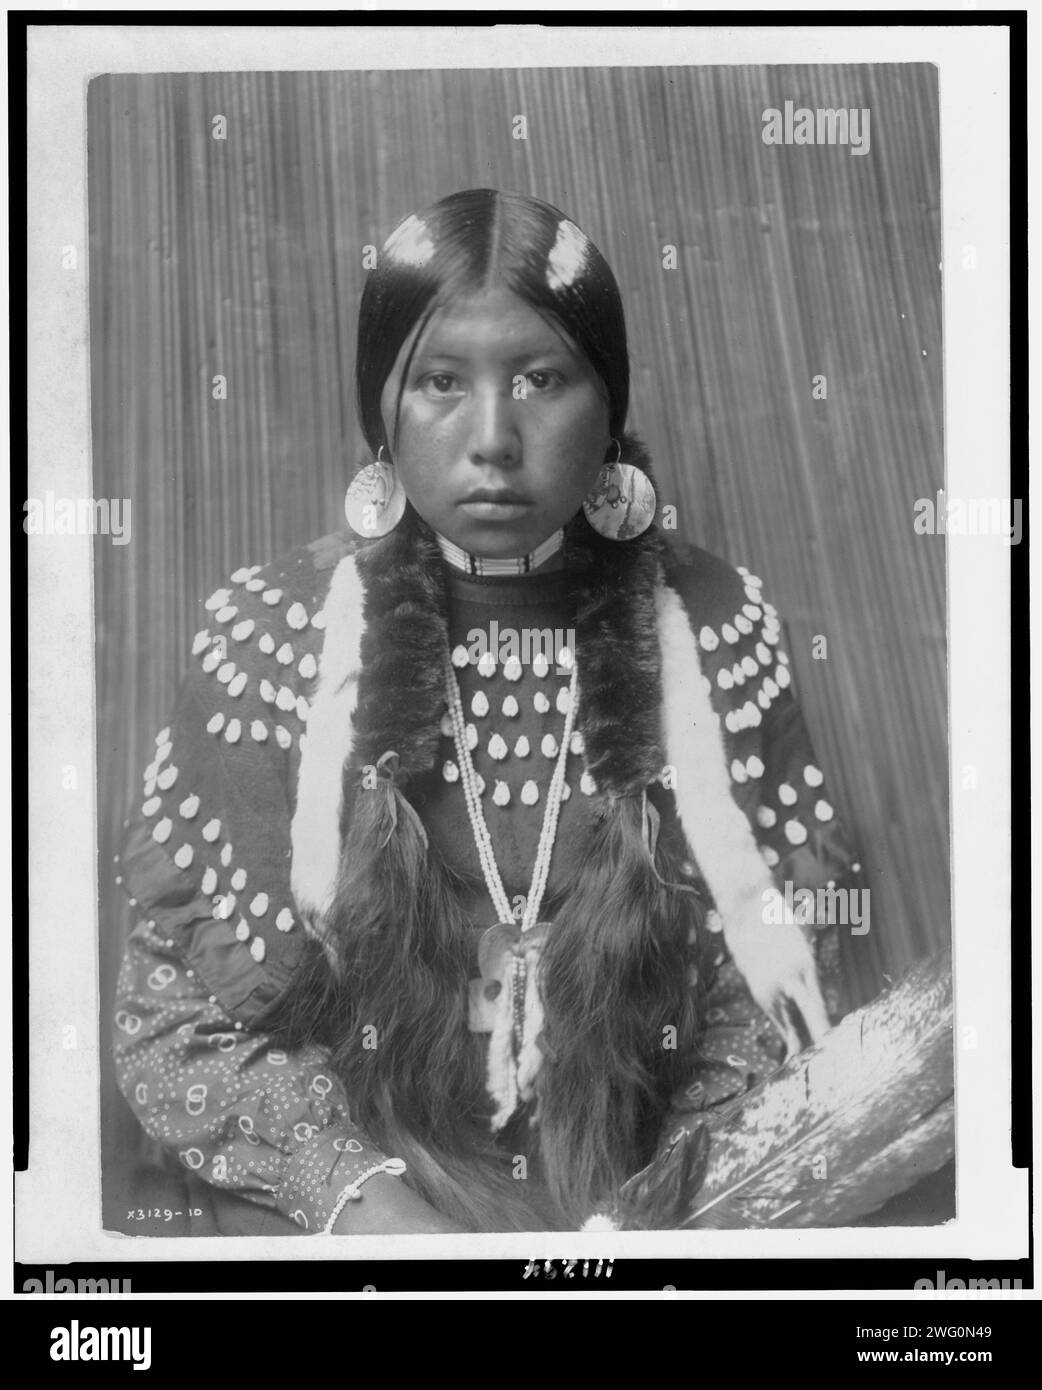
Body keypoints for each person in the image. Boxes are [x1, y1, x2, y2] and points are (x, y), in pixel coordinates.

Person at [111, 188, 862, 1236]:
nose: (494, 438)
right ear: (382, 411)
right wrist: (376, 1214)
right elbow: (178, 1027)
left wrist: (645, 1223)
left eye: (542, 379)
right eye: (440, 384)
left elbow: (773, 1011)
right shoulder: (269, 639)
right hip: (349, 1235)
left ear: (608, 404)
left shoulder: (713, 629)